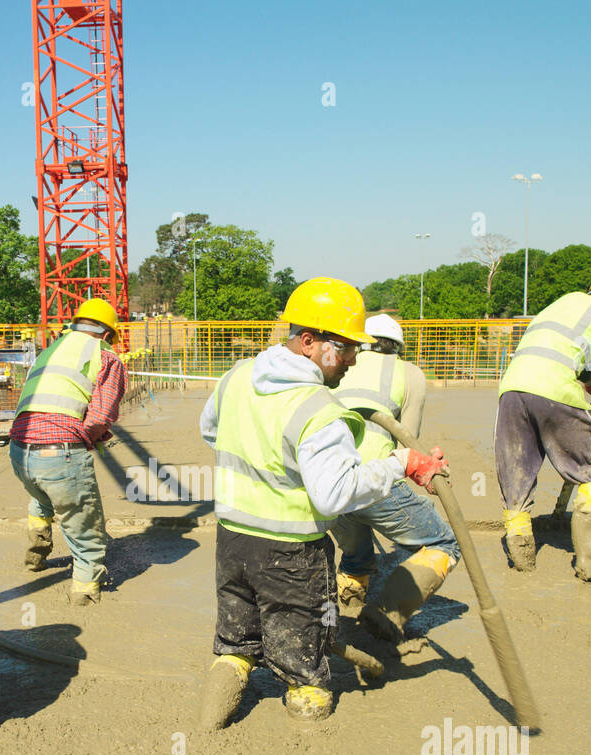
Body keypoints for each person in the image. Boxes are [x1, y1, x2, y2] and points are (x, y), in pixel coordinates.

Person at [197, 278, 448, 731]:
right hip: (291, 553)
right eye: (346, 347)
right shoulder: (318, 409)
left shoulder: (236, 378)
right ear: (309, 341)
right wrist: (400, 463)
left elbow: (211, 432)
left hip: (232, 542)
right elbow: (335, 493)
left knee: (235, 644)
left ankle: (207, 729)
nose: (353, 359)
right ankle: (307, 737)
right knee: (306, 668)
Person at [494, 278, 591, 579]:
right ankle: (589, 558)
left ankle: (521, 552)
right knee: (589, 466)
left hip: (512, 391)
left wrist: (590, 381)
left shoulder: (561, 306)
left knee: (516, 471)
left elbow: (553, 354)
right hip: (554, 390)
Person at [330, 314, 460, 647]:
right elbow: (408, 441)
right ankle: (386, 613)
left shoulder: (340, 364)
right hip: (374, 478)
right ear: (397, 347)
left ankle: (350, 597)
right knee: (445, 543)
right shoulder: (409, 373)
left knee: (356, 546)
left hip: (329, 480)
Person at [9, 298, 126, 606]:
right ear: (107, 333)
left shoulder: (52, 349)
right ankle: (84, 593)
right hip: (60, 450)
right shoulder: (105, 356)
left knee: (42, 494)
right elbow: (101, 416)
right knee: (84, 523)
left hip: (19, 451)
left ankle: (37, 543)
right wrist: (87, 438)